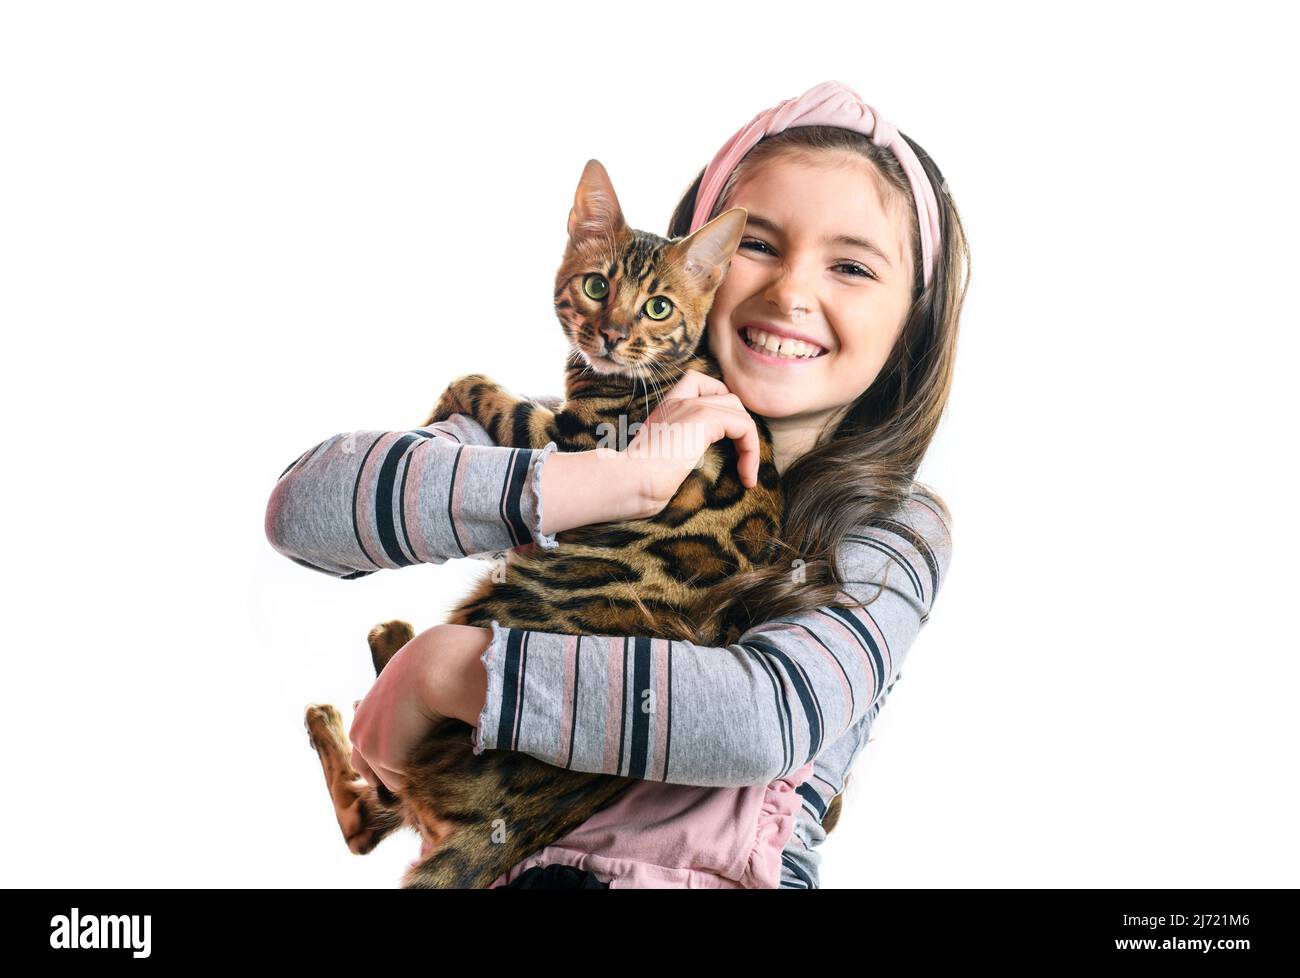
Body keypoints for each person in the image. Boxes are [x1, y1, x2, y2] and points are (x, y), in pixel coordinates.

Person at [264, 79, 967, 888]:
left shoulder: (888, 527)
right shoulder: (565, 441)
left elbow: (757, 721)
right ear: (694, 265)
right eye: (759, 245)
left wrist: (444, 672)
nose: (790, 292)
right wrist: (615, 480)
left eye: (850, 265)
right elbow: (304, 510)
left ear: (912, 317)